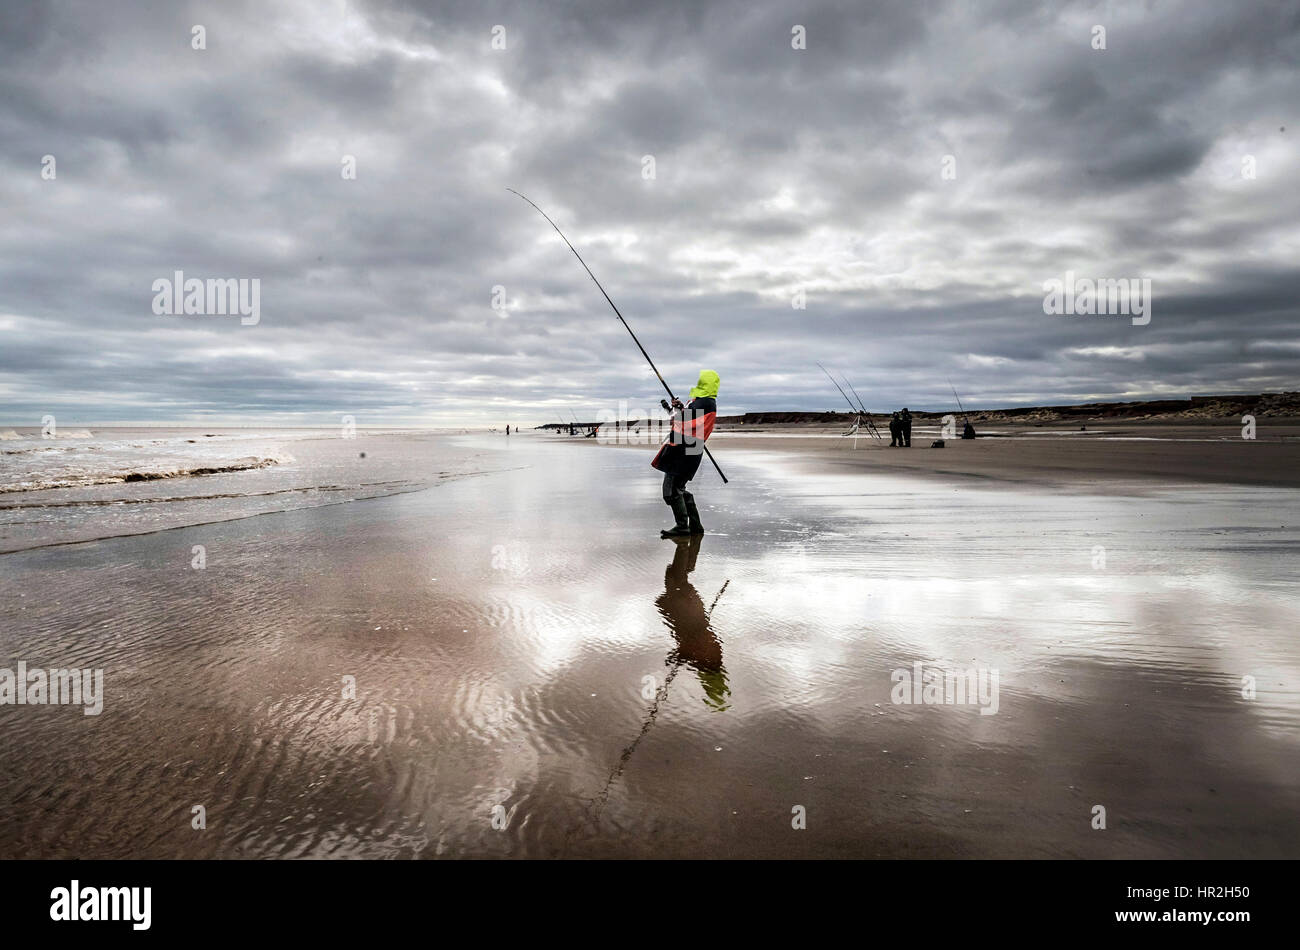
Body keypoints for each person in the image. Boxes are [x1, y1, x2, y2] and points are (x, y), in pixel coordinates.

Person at [651, 369, 719, 538]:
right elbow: (690, 416)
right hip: (690, 447)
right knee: (678, 488)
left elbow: (692, 422)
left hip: (685, 448)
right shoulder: (703, 401)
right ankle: (695, 526)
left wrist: (678, 415)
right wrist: (680, 407)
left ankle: (683, 527)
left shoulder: (706, 402)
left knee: (671, 491)